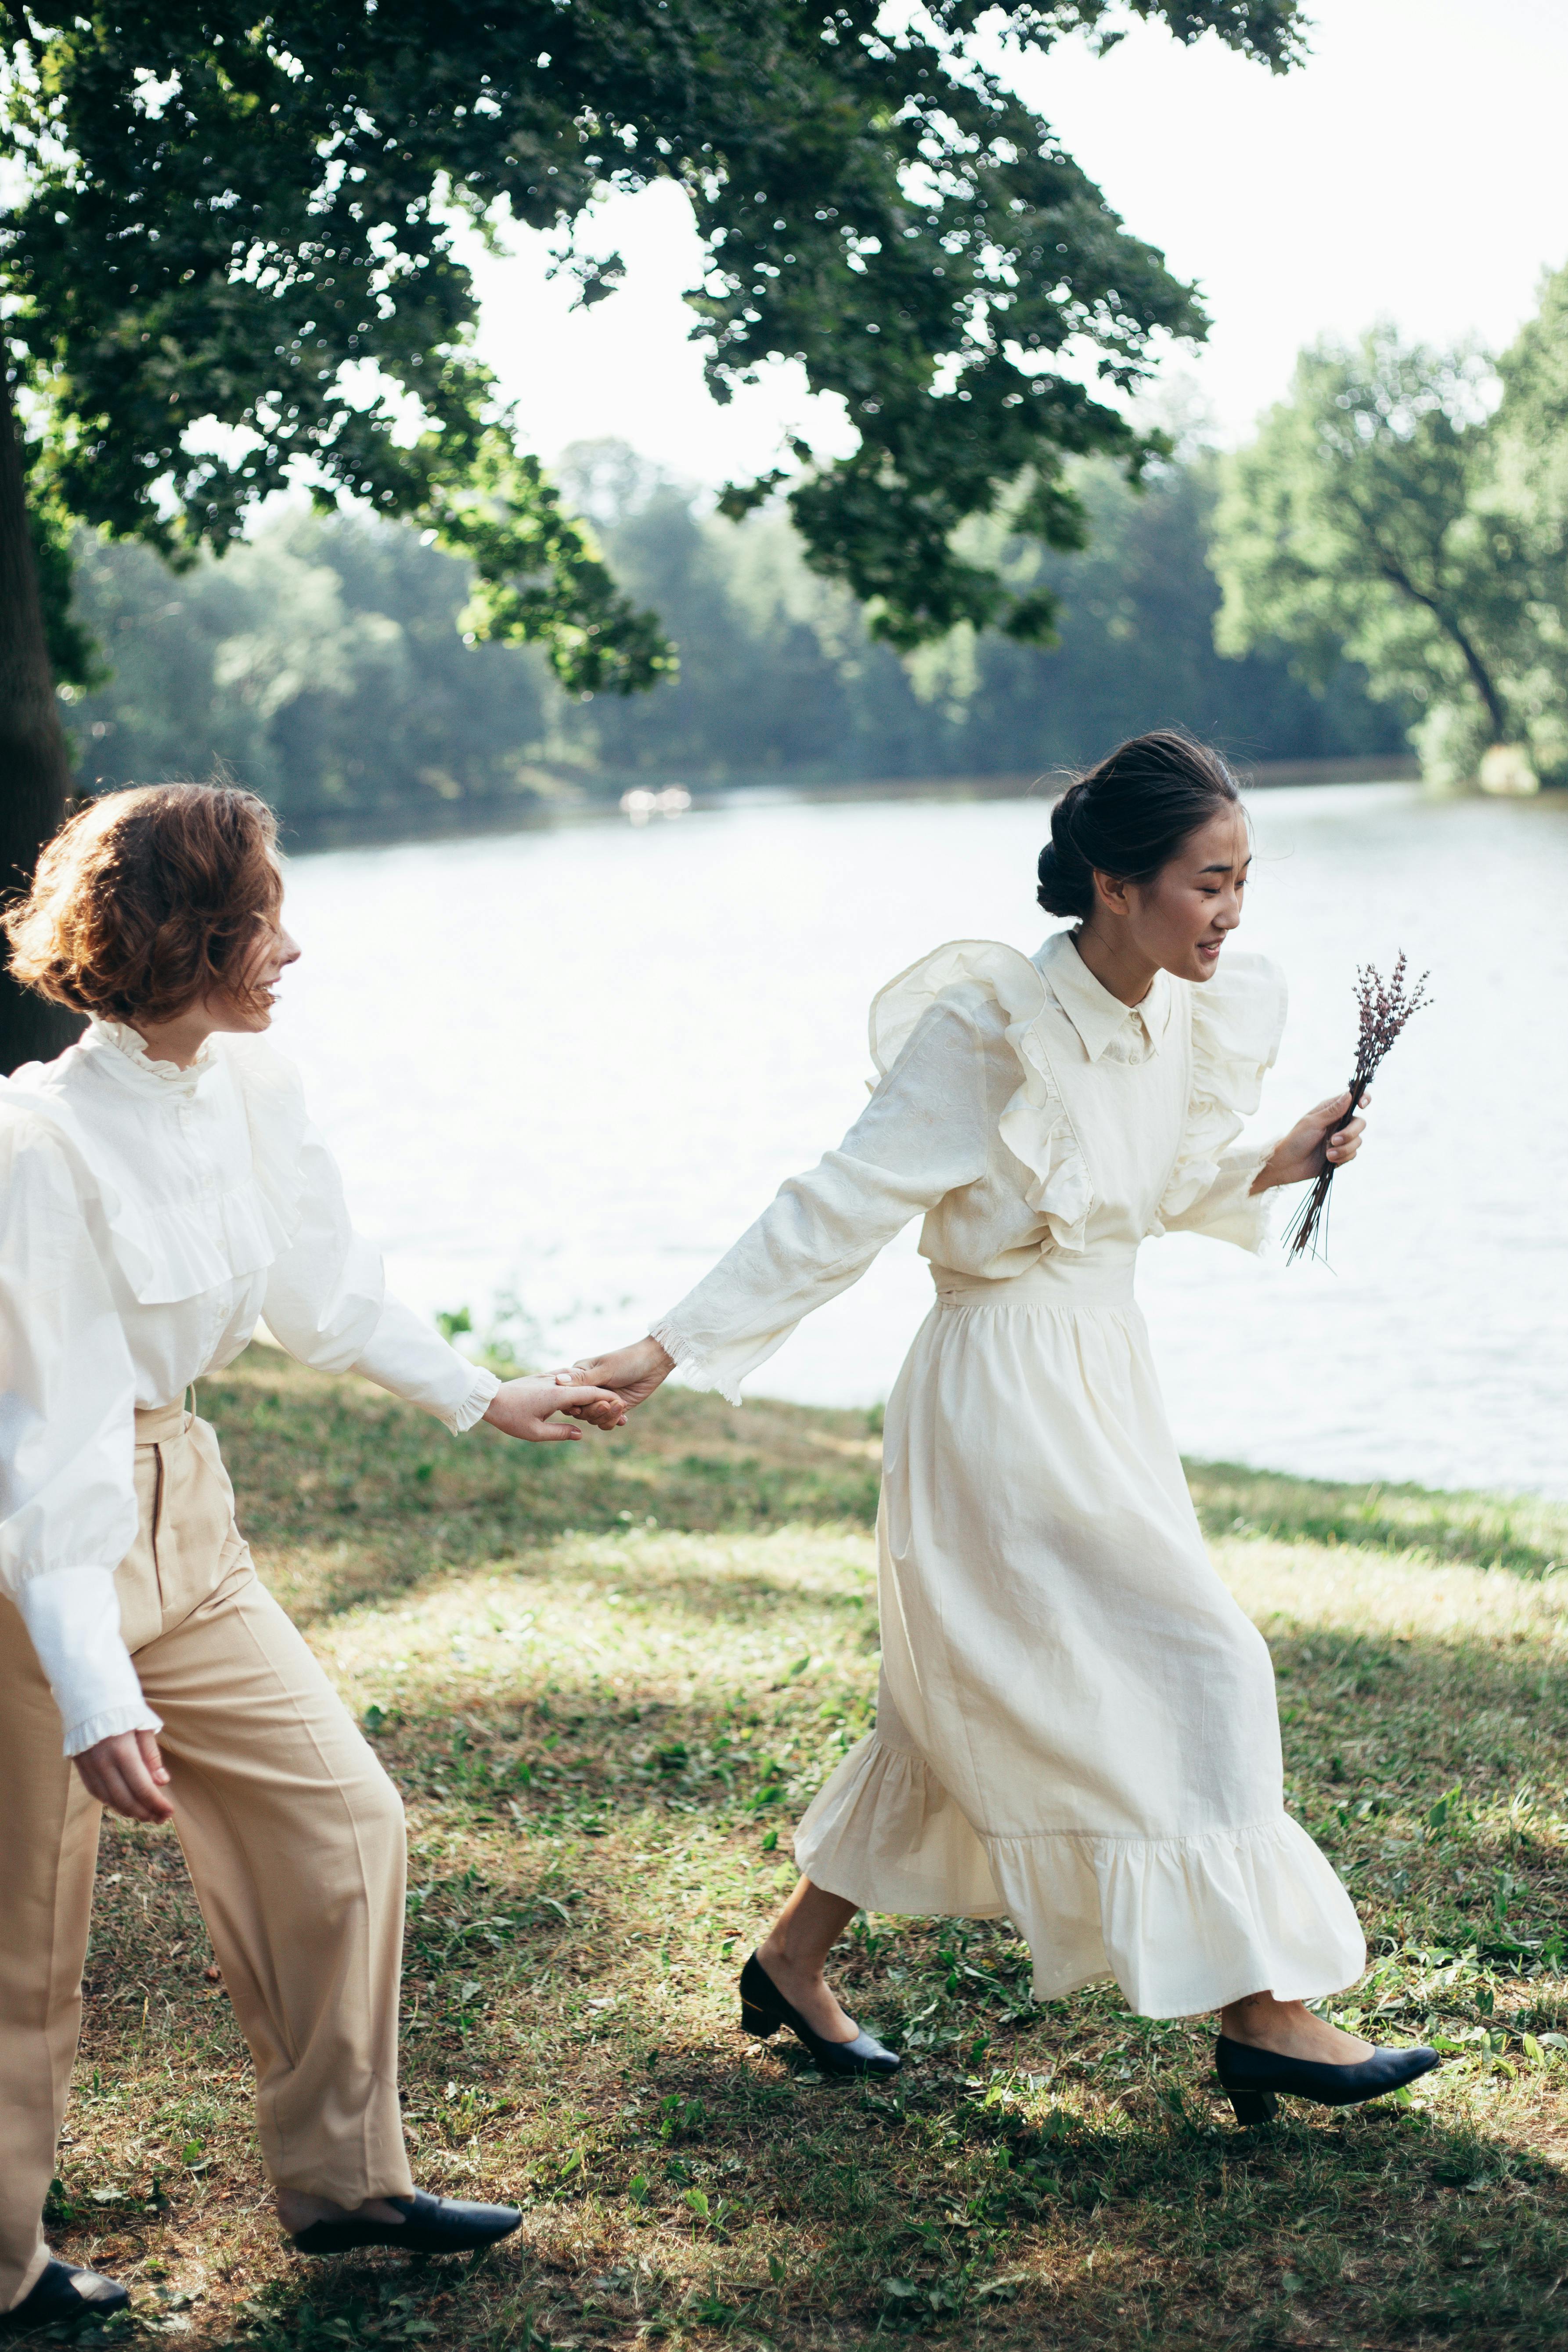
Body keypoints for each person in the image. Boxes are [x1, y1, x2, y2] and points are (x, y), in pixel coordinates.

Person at [564, 732, 1438, 2125]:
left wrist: (1283, 1153)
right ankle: (1259, 2011)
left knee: (950, 1703)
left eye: (1242, 882)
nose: (1230, 912)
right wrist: (674, 1344)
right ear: (1113, 881)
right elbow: (841, 1198)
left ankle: (791, 1959)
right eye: (1206, 882)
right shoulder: (992, 1025)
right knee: (1198, 1660)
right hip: (999, 1393)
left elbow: (1141, 1190)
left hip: (1102, 1372)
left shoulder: (1178, 1011)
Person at [0, 783, 626, 2330]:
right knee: (23, 1936)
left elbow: (323, 1289)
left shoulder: (255, 1091)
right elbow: (54, 1433)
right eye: (263, 916)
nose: (292, 945)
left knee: (344, 1823)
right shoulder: (35, 1144)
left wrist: (484, 1391)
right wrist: (93, 1685)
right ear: (183, 934)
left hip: (186, 1517)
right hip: (36, 1549)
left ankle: (347, 2180)